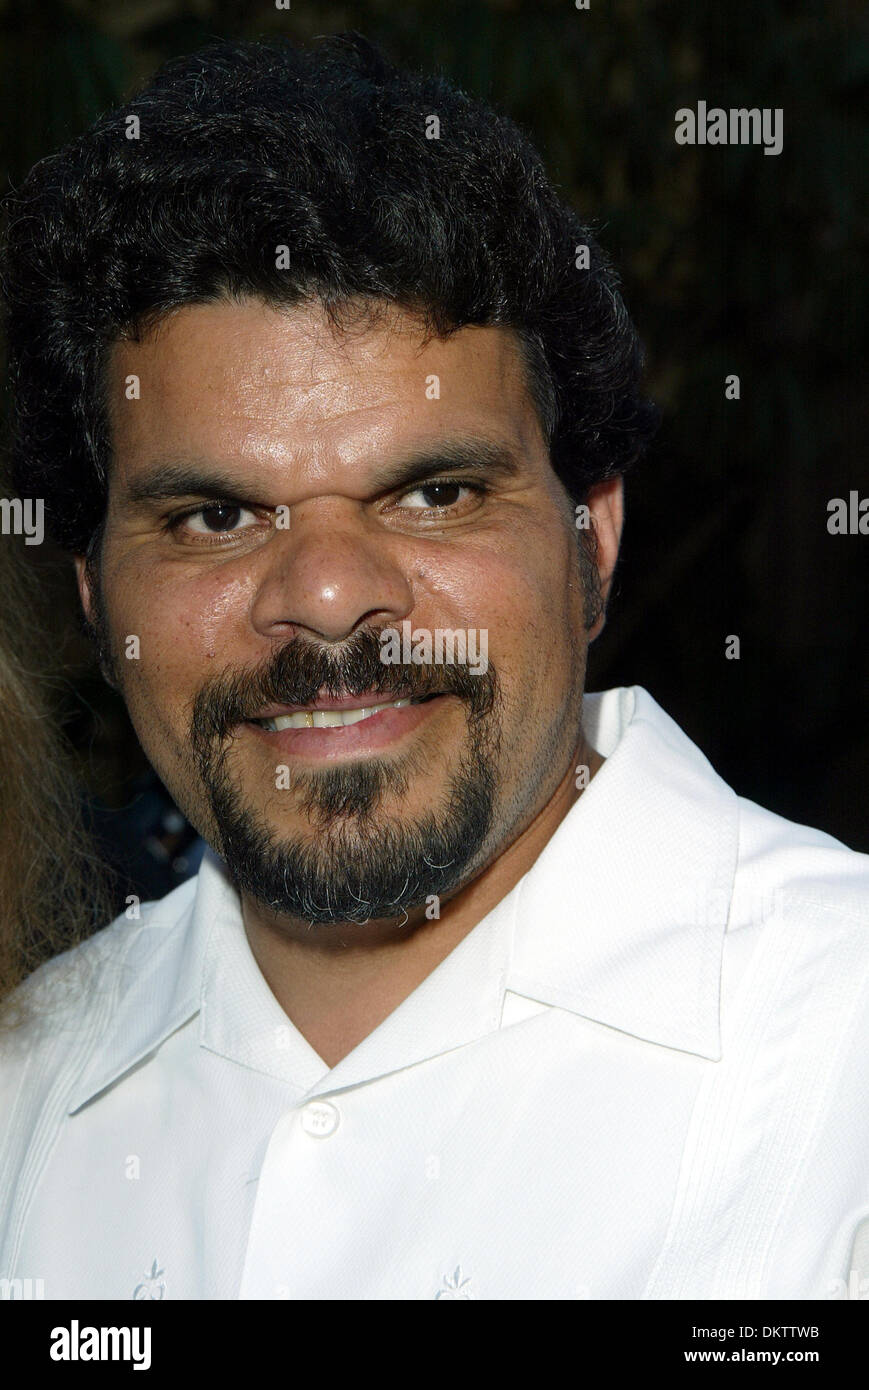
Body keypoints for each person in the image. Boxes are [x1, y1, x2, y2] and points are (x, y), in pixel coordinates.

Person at [0, 33, 866, 1302]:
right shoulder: (26, 1098)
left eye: (433, 491)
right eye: (215, 518)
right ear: (91, 591)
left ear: (594, 539)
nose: (329, 595)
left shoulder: (838, 1051)